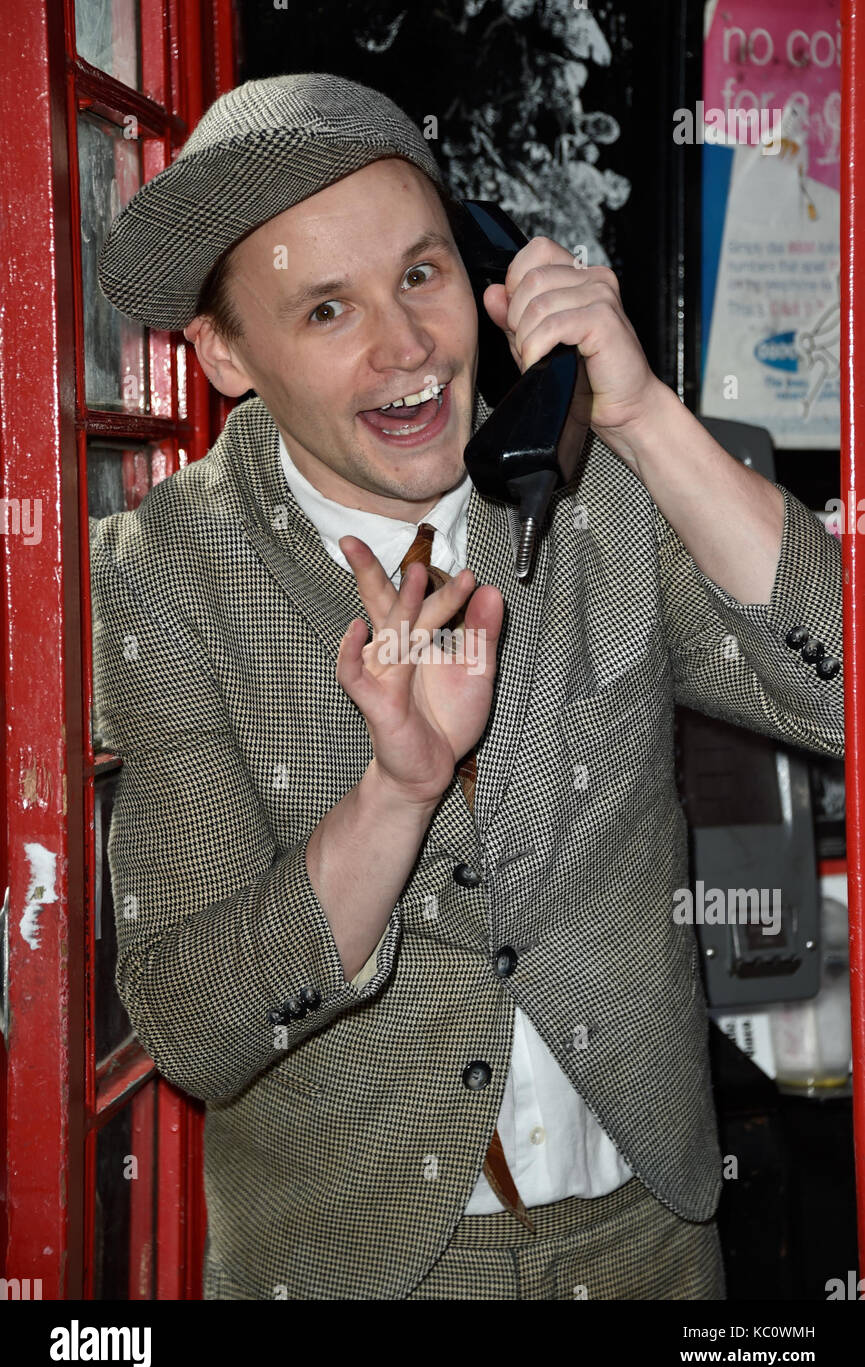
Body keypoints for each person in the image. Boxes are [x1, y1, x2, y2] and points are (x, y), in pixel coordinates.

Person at [91, 71, 844, 1301]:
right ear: (225, 354)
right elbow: (193, 1025)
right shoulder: (168, 575)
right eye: (326, 310)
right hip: (360, 1268)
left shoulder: (598, 488)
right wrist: (396, 792)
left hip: (651, 1238)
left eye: (422, 275)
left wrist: (643, 410)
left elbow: (839, 695)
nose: (408, 349)